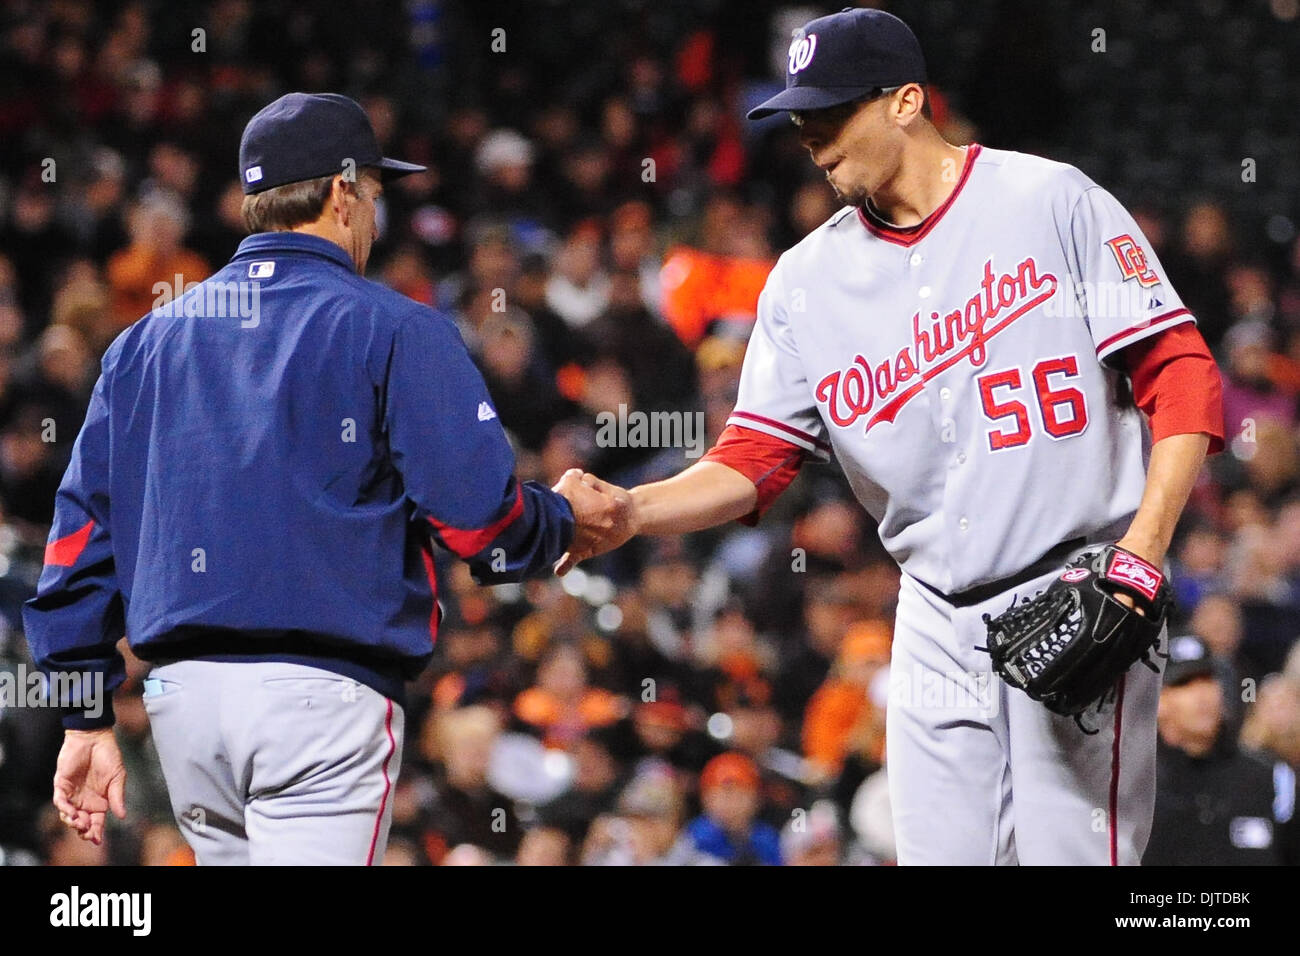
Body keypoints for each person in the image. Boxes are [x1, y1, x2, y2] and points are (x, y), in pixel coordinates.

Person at [558, 9, 1224, 865]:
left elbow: (1181, 374)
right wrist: (635, 509)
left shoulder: (1046, 199)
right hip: (933, 614)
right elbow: (756, 459)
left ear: (907, 100)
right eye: (802, 119)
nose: (812, 137)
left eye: (832, 113)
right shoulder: (806, 281)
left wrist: (1145, 552)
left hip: (1082, 584)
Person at [23, 93, 630, 865]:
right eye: (374, 195)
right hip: (320, 700)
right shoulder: (393, 326)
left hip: (185, 709)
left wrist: (83, 712)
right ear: (343, 193)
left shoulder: (144, 345)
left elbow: (79, 537)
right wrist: (562, 521)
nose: (375, 218)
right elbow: (480, 525)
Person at [1143, 635, 1299, 865]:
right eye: (1184, 683)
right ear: (1159, 701)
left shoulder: (1270, 776)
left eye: (1208, 679)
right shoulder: (1134, 781)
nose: (1202, 696)